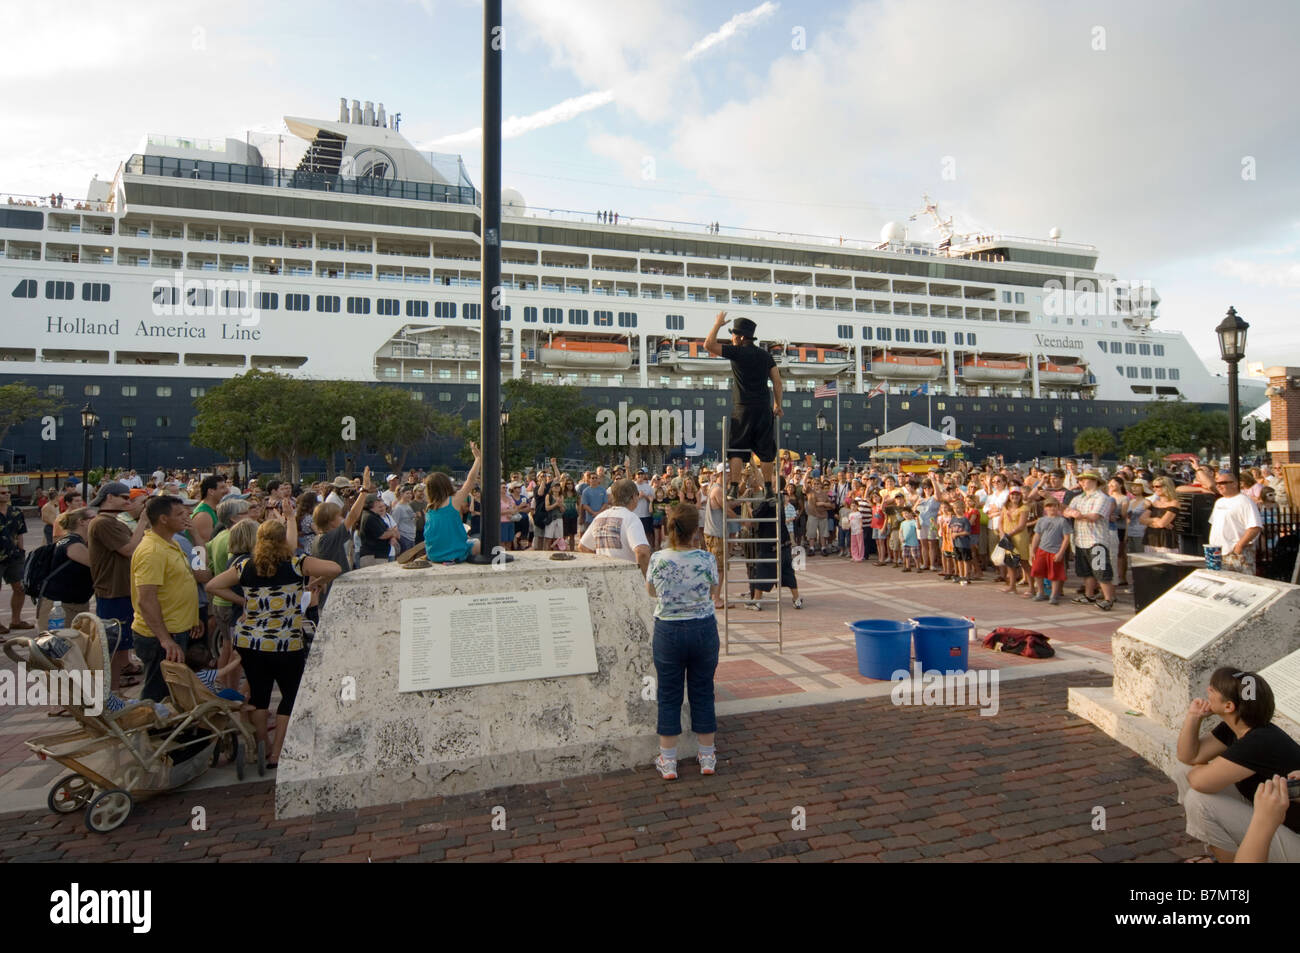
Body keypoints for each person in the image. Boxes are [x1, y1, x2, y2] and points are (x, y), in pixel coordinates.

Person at [206, 519, 341, 767]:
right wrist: (314, 581)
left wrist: (242, 601)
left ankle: (262, 746)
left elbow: (213, 585)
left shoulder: (245, 565)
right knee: (290, 695)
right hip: (284, 642)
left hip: (250, 641)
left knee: (259, 695)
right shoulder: (296, 564)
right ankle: (277, 753)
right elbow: (335, 568)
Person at [1175, 668, 1300, 862]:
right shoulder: (1238, 727)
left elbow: (1200, 781)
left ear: (1229, 706)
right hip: (1271, 814)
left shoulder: (1260, 740)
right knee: (1185, 771)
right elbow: (1188, 756)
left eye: (1213, 690)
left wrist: (1205, 768)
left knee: (1200, 803)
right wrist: (1193, 717)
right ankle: (1229, 854)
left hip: (1292, 835)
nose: (1208, 690)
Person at [645, 504, 720, 780]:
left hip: (668, 631)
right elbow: (713, 590)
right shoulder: (706, 558)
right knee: (703, 690)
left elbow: (651, 590)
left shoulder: (658, 558)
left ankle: (668, 760)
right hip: (703, 629)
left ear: (668, 528)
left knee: (668, 693)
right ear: (695, 530)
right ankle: (707, 755)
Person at [131, 496, 203, 702]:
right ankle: (151, 730)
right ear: (163, 519)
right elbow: (146, 599)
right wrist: (165, 639)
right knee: (158, 693)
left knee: (174, 693)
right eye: (179, 514)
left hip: (179, 628)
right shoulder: (152, 550)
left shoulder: (173, 543)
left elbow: (200, 570)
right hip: (161, 635)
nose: (187, 517)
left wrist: (196, 537)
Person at [705, 311, 783, 495]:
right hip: (764, 408)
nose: (731, 338)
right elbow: (777, 382)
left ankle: (733, 488)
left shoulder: (737, 352)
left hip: (742, 408)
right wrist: (777, 405)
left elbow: (708, 345)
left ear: (740, 337)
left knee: (737, 450)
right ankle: (769, 489)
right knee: (766, 450)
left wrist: (717, 324)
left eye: (732, 335)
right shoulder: (766, 356)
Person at [1064, 470, 1118, 611]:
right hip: (1080, 540)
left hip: (1096, 540)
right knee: (1086, 570)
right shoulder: (1078, 498)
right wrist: (1071, 512)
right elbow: (1066, 511)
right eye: (1080, 480)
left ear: (1095, 481)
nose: (1081, 482)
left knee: (1101, 570)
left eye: (1085, 480)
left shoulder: (1102, 498)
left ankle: (1108, 598)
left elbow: (1095, 516)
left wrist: (1078, 515)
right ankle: (1089, 595)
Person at [36, 509, 95, 632]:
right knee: (58, 646)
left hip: (77, 603)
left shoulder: (82, 542)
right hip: (59, 607)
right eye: (94, 517)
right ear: (82, 522)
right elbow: (97, 565)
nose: (98, 520)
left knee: (77, 646)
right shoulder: (72, 543)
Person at [578, 479, 652, 576]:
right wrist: (644, 578)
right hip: (627, 578)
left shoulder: (599, 517)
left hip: (604, 578)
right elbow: (642, 551)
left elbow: (583, 546)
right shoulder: (631, 518)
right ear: (634, 497)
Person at [423, 445, 482, 563]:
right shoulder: (453, 500)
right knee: (478, 542)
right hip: (454, 554)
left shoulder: (429, 507)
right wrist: (478, 459)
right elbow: (470, 480)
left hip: (433, 555)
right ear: (446, 484)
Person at [1209, 471, 1262, 575]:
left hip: (1237, 554)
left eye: (1223, 483)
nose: (1219, 486)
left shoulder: (1245, 501)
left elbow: (1255, 527)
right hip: (1217, 553)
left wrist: (1239, 546)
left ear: (1234, 483)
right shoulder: (1219, 502)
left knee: (1244, 586)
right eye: (1217, 483)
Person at [0, 485, 31, 636]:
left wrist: (21, 550)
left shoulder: (16, 512)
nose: (6, 495)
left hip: (14, 556)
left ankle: (16, 621)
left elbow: (20, 533)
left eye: (7, 492)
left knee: (20, 588)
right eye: (2, 493)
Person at [1029, 497, 1072, 604]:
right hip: (1042, 549)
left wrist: (1061, 552)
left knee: (1055, 574)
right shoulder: (1041, 520)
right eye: (1049, 506)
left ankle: (1054, 595)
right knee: (1037, 571)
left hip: (1055, 550)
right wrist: (1032, 550)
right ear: (1045, 508)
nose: (1052, 508)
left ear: (1058, 507)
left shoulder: (1062, 521)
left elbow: (1066, 538)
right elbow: (1037, 535)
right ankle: (1041, 592)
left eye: (1054, 505)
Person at [357, 492, 399, 567]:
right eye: (379, 506)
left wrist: (392, 535)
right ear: (371, 505)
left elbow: (388, 529)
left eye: (383, 506)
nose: (382, 508)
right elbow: (382, 535)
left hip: (380, 555)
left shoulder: (376, 516)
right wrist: (392, 533)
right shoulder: (369, 517)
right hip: (373, 557)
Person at [190, 474, 225, 547]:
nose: (227, 490)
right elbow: (205, 548)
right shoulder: (203, 515)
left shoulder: (212, 510)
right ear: (211, 492)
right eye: (222, 488)